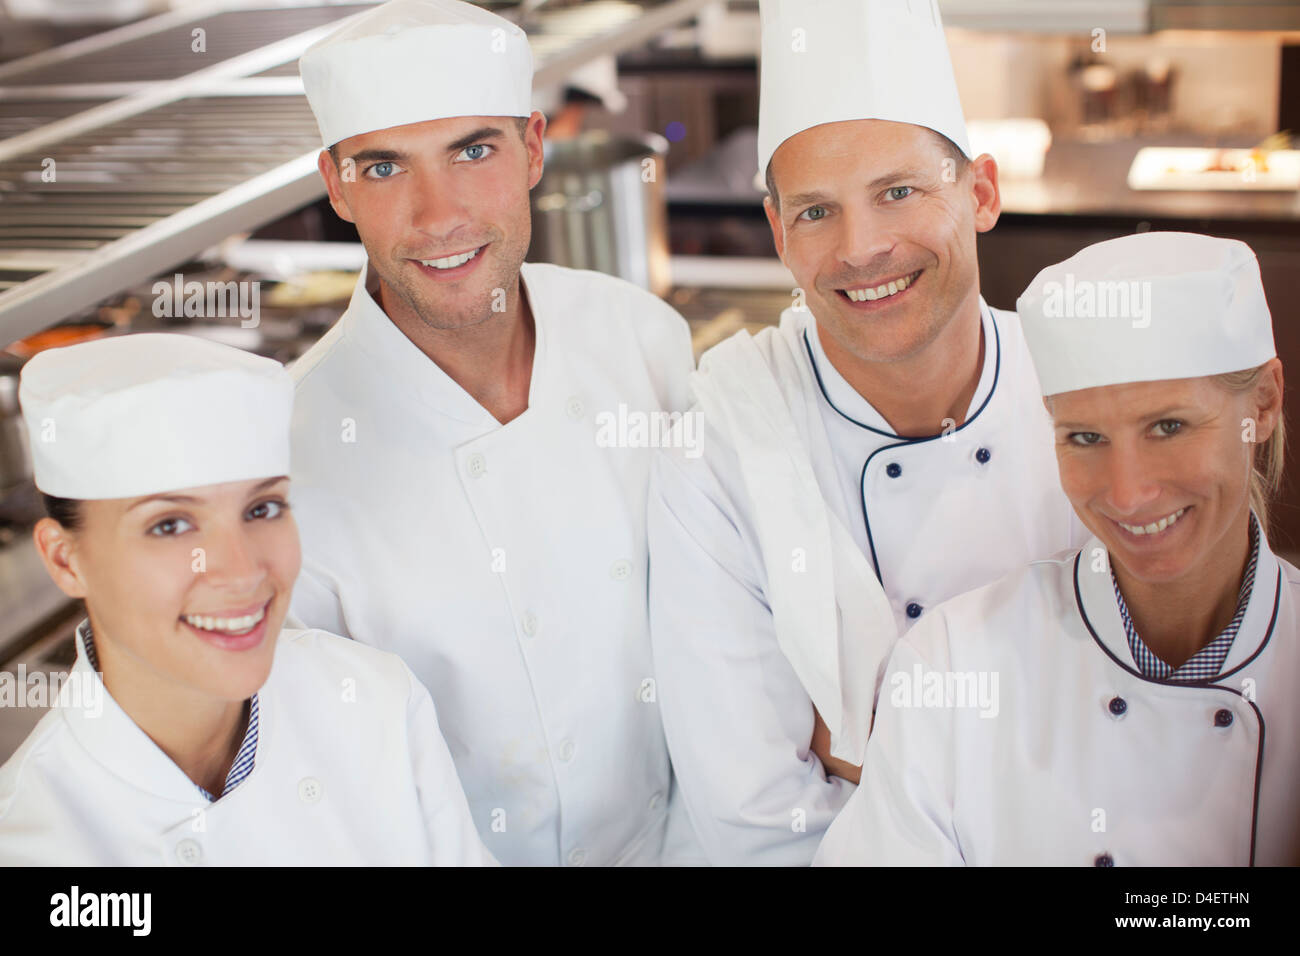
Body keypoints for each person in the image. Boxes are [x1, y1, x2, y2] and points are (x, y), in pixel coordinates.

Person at [646, 0, 1088, 865]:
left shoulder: (1082, 390)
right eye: (816, 212)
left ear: (982, 193)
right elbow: (757, 818)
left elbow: (1150, 719)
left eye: (898, 192)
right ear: (778, 233)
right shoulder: (719, 446)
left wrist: (862, 747)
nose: (861, 248)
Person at [288, 0, 698, 866]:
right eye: (385, 167)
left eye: (473, 151)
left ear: (535, 150)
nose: (439, 216)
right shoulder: (283, 456)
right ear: (335, 184)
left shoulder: (638, 341)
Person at [815, 232, 1299, 866]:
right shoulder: (952, 666)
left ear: (1261, 404)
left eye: (1168, 426)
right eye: (1086, 437)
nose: (1128, 493)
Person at [0, 333, 494, 866]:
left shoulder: (377, 704)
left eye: (261, 509)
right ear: (64, 560)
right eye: (170, 524)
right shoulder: (26, 839)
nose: (240, 571)